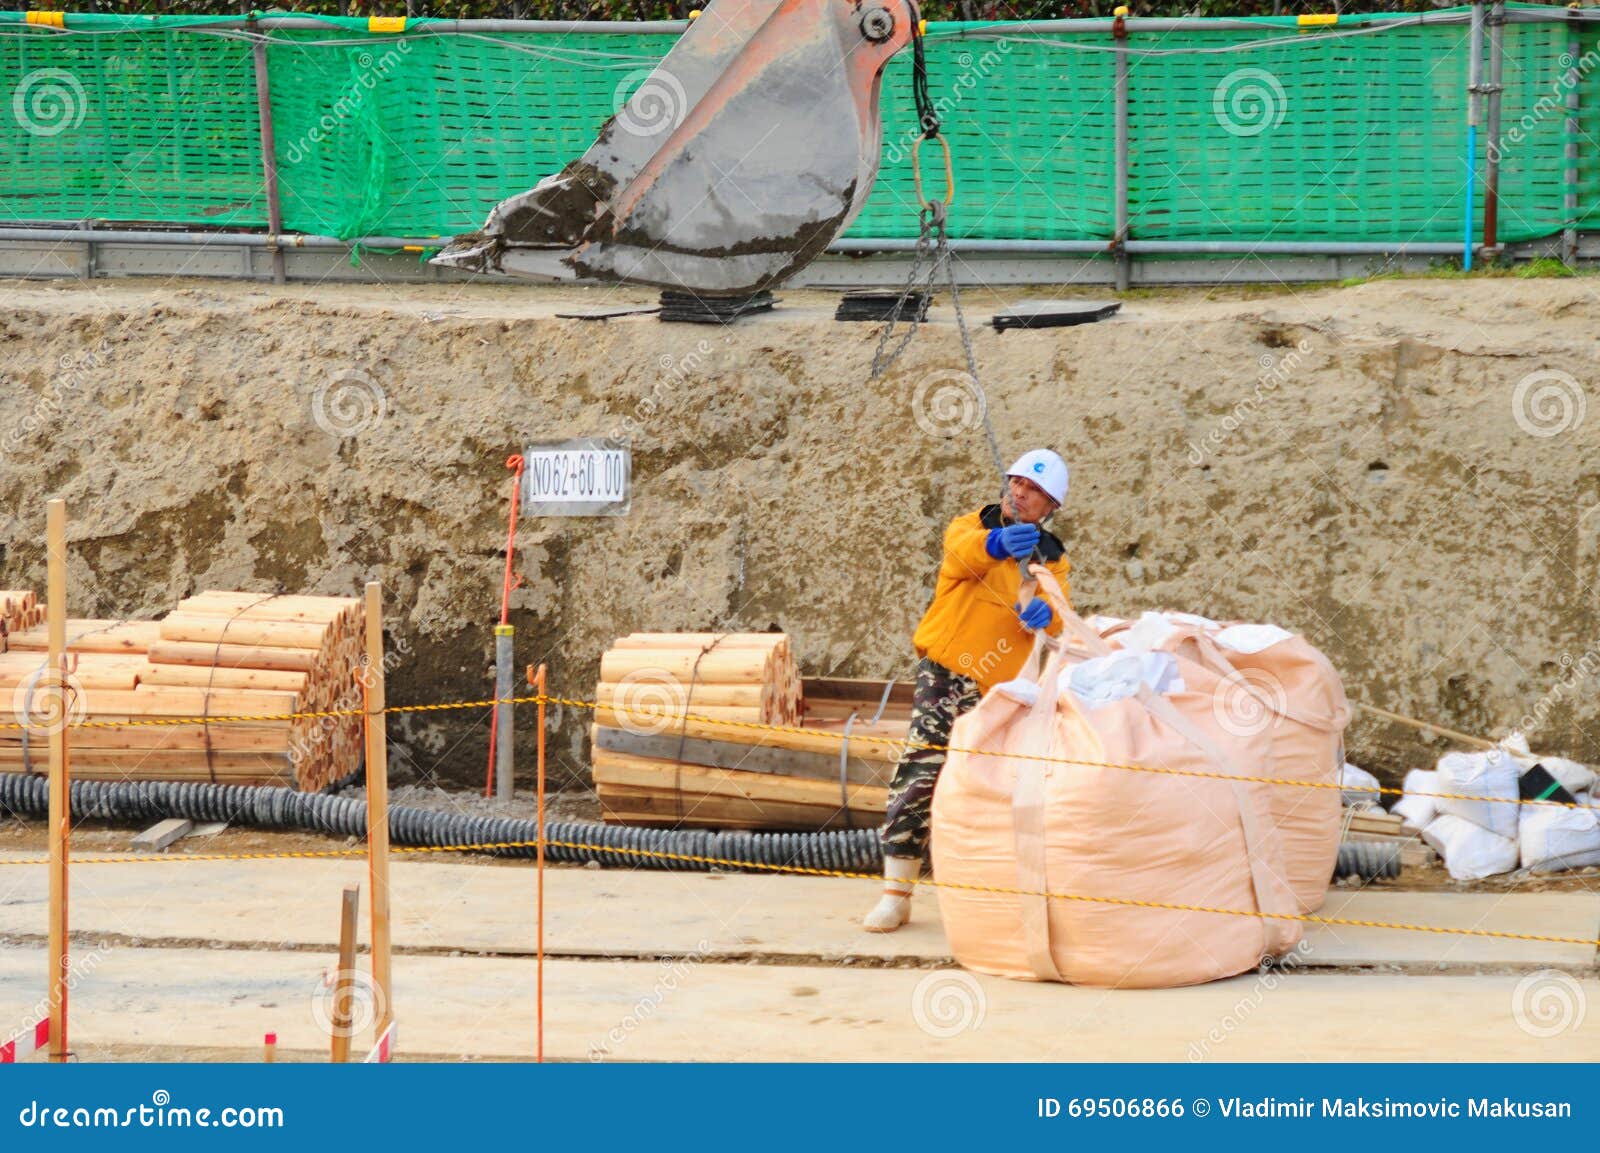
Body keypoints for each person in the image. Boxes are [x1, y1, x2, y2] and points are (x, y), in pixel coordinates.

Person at [862, 448, 1072, 932]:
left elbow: (1059, 608)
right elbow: (961, 555)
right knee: (924, 766)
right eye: (1017, 481)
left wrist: (1048, 616)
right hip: (950, 672)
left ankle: (987, 891)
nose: (1021, 491)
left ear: (1050, 507)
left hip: (1004, 689)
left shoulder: (1052, 558)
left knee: (994, 785)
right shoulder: (972, 528)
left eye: (1035, 490)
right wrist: (997, 544)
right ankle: (896, 894)